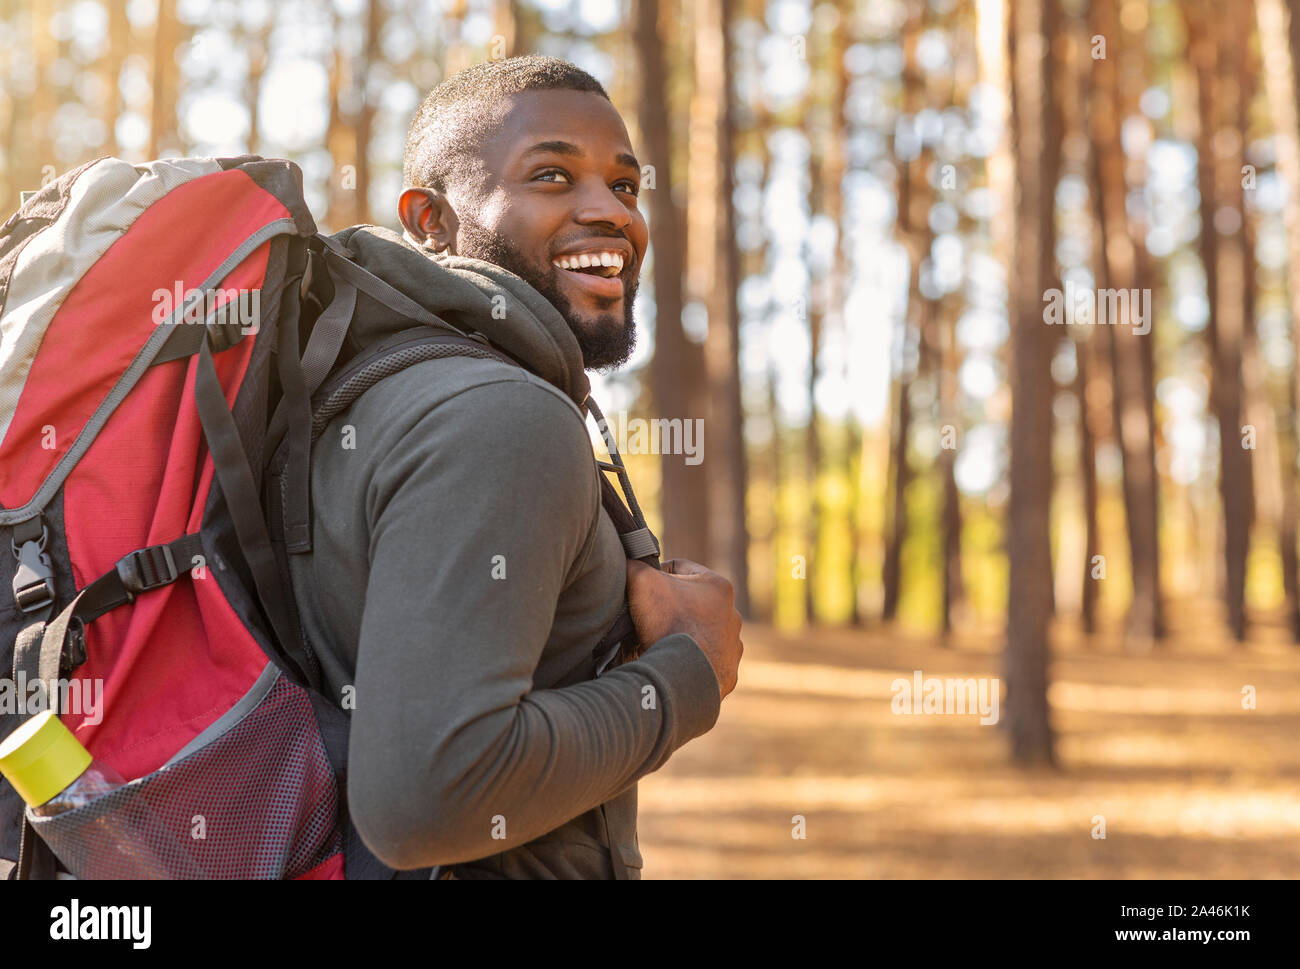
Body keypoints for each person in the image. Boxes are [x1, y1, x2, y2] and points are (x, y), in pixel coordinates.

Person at [288, 54, 744, 879]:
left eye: (626, 186)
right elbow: (427, 799)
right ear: (431, 219)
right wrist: (689, 670)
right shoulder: (501, 417)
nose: (610, 213)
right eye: (551, 175)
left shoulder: (373, 391)